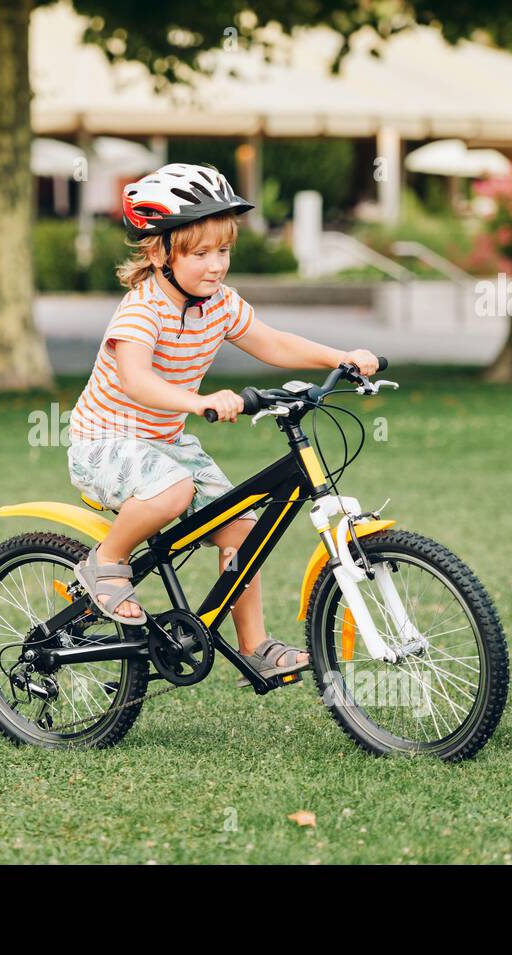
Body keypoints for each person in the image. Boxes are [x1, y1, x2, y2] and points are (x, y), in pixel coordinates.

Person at [66, 162, 380, 685]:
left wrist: (339, 357)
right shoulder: (141, 310)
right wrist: (199, 401)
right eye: (199, 252)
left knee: (241, 528)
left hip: (164, 442)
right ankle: (105, 563)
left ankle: (254, 645)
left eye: (224, 250)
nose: (216, 265)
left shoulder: (219, 304)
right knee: (173, 490)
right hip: (104, 441)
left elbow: (273, 342)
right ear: (159, 251)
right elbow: (139, 383)